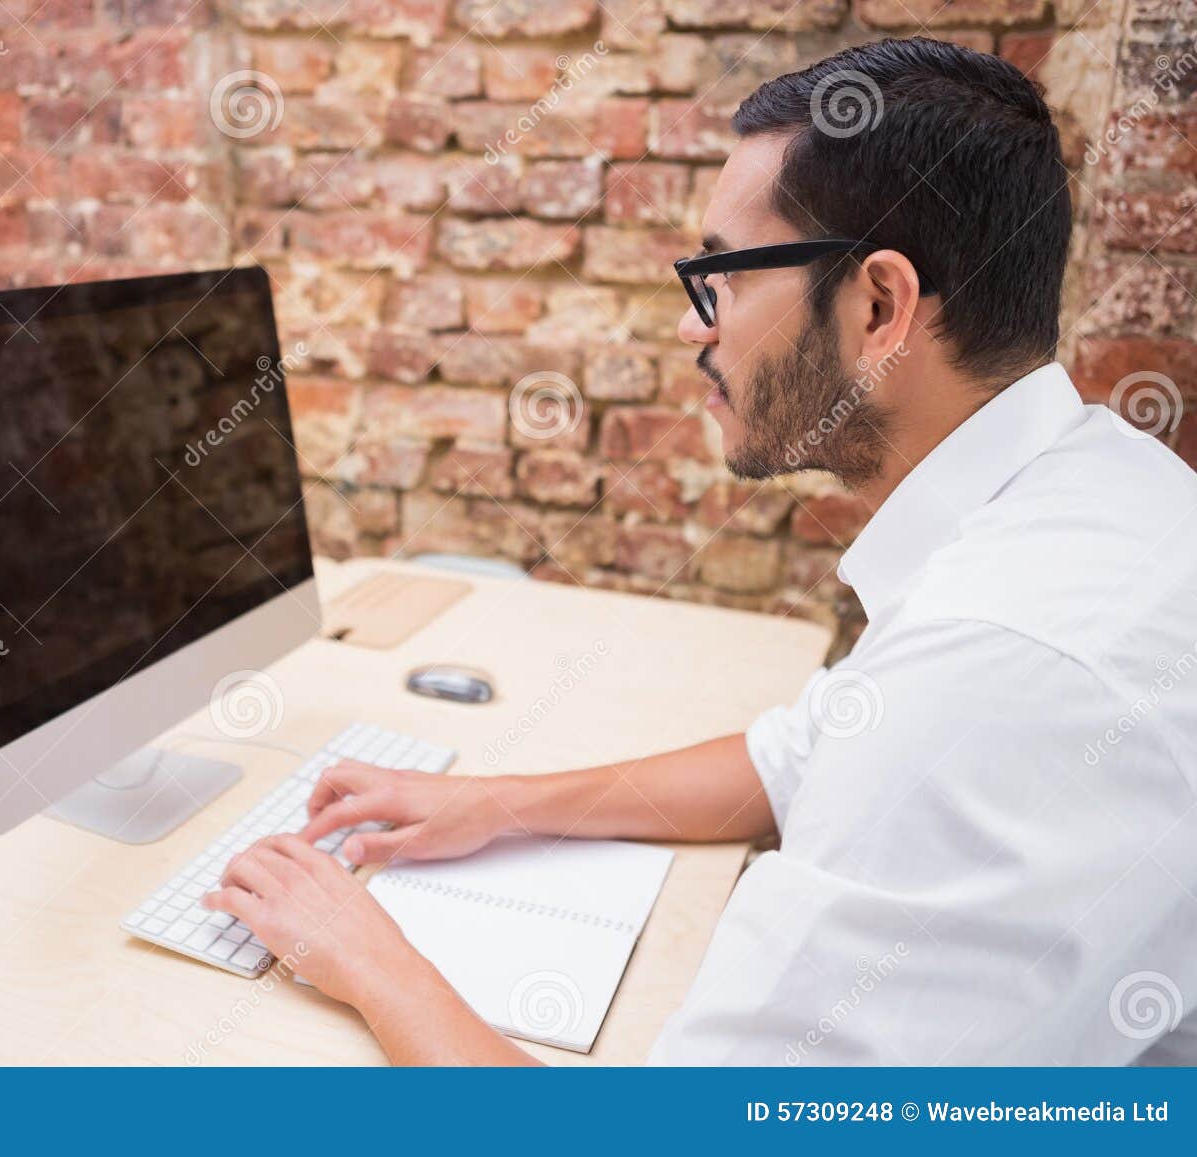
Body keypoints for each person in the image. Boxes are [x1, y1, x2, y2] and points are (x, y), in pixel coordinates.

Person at [203, 36, 1197, 1065]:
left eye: (718, 275)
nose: (697, 331)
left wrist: (366, 954)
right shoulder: (1092, 489)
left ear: (878, 306)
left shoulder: (997, 669)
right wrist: (487, 803)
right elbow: (795, 757)